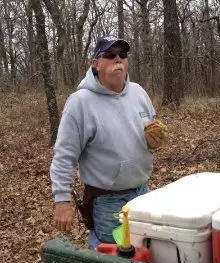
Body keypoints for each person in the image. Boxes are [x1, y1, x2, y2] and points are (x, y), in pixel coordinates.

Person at [50, 35, 166, 249]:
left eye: (122, 55)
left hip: (142, 192)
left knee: (145, 254)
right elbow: (64, 156)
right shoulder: (80, 103)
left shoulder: (139, 93)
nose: (118, 59)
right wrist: (62, 200)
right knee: (115, 261)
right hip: (108, 202)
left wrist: (154, 141)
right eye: (110, 55)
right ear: (96, 63)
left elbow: (150, 133)